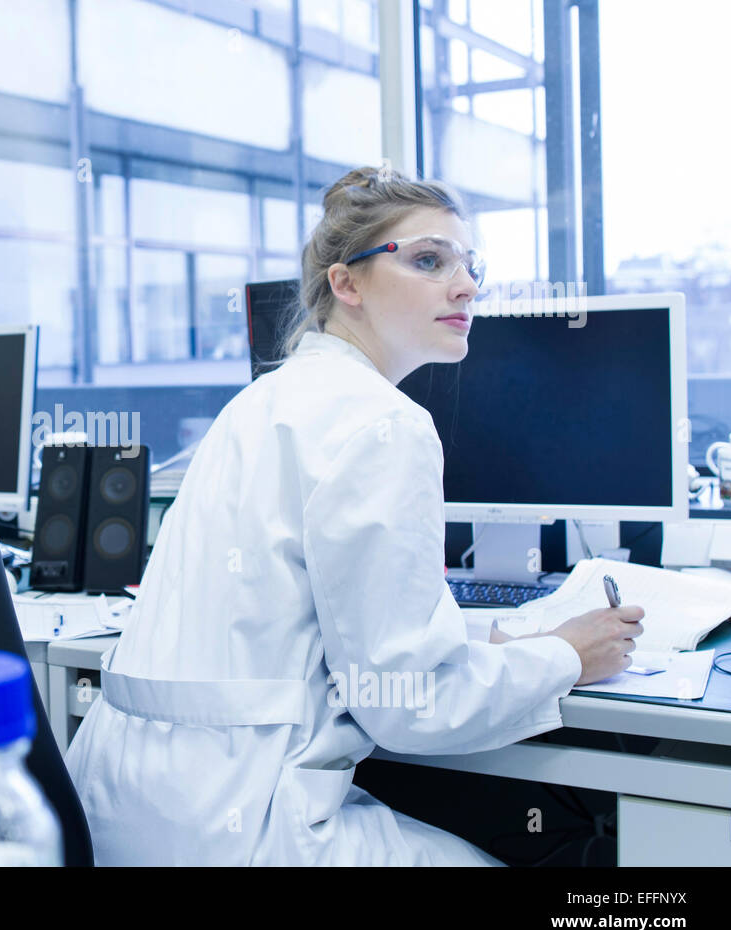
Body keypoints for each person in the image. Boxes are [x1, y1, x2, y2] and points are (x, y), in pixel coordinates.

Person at [64, 165, 645, 866]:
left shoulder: (262, 401)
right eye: (429, 260)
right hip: (247, 824)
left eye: (470, 265)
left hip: (126, 807)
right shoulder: (383, 424)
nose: (466, 285)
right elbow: (410, 704)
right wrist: (564, 657)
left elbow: (308, 621)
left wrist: (481, 640)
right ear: (347, 284)